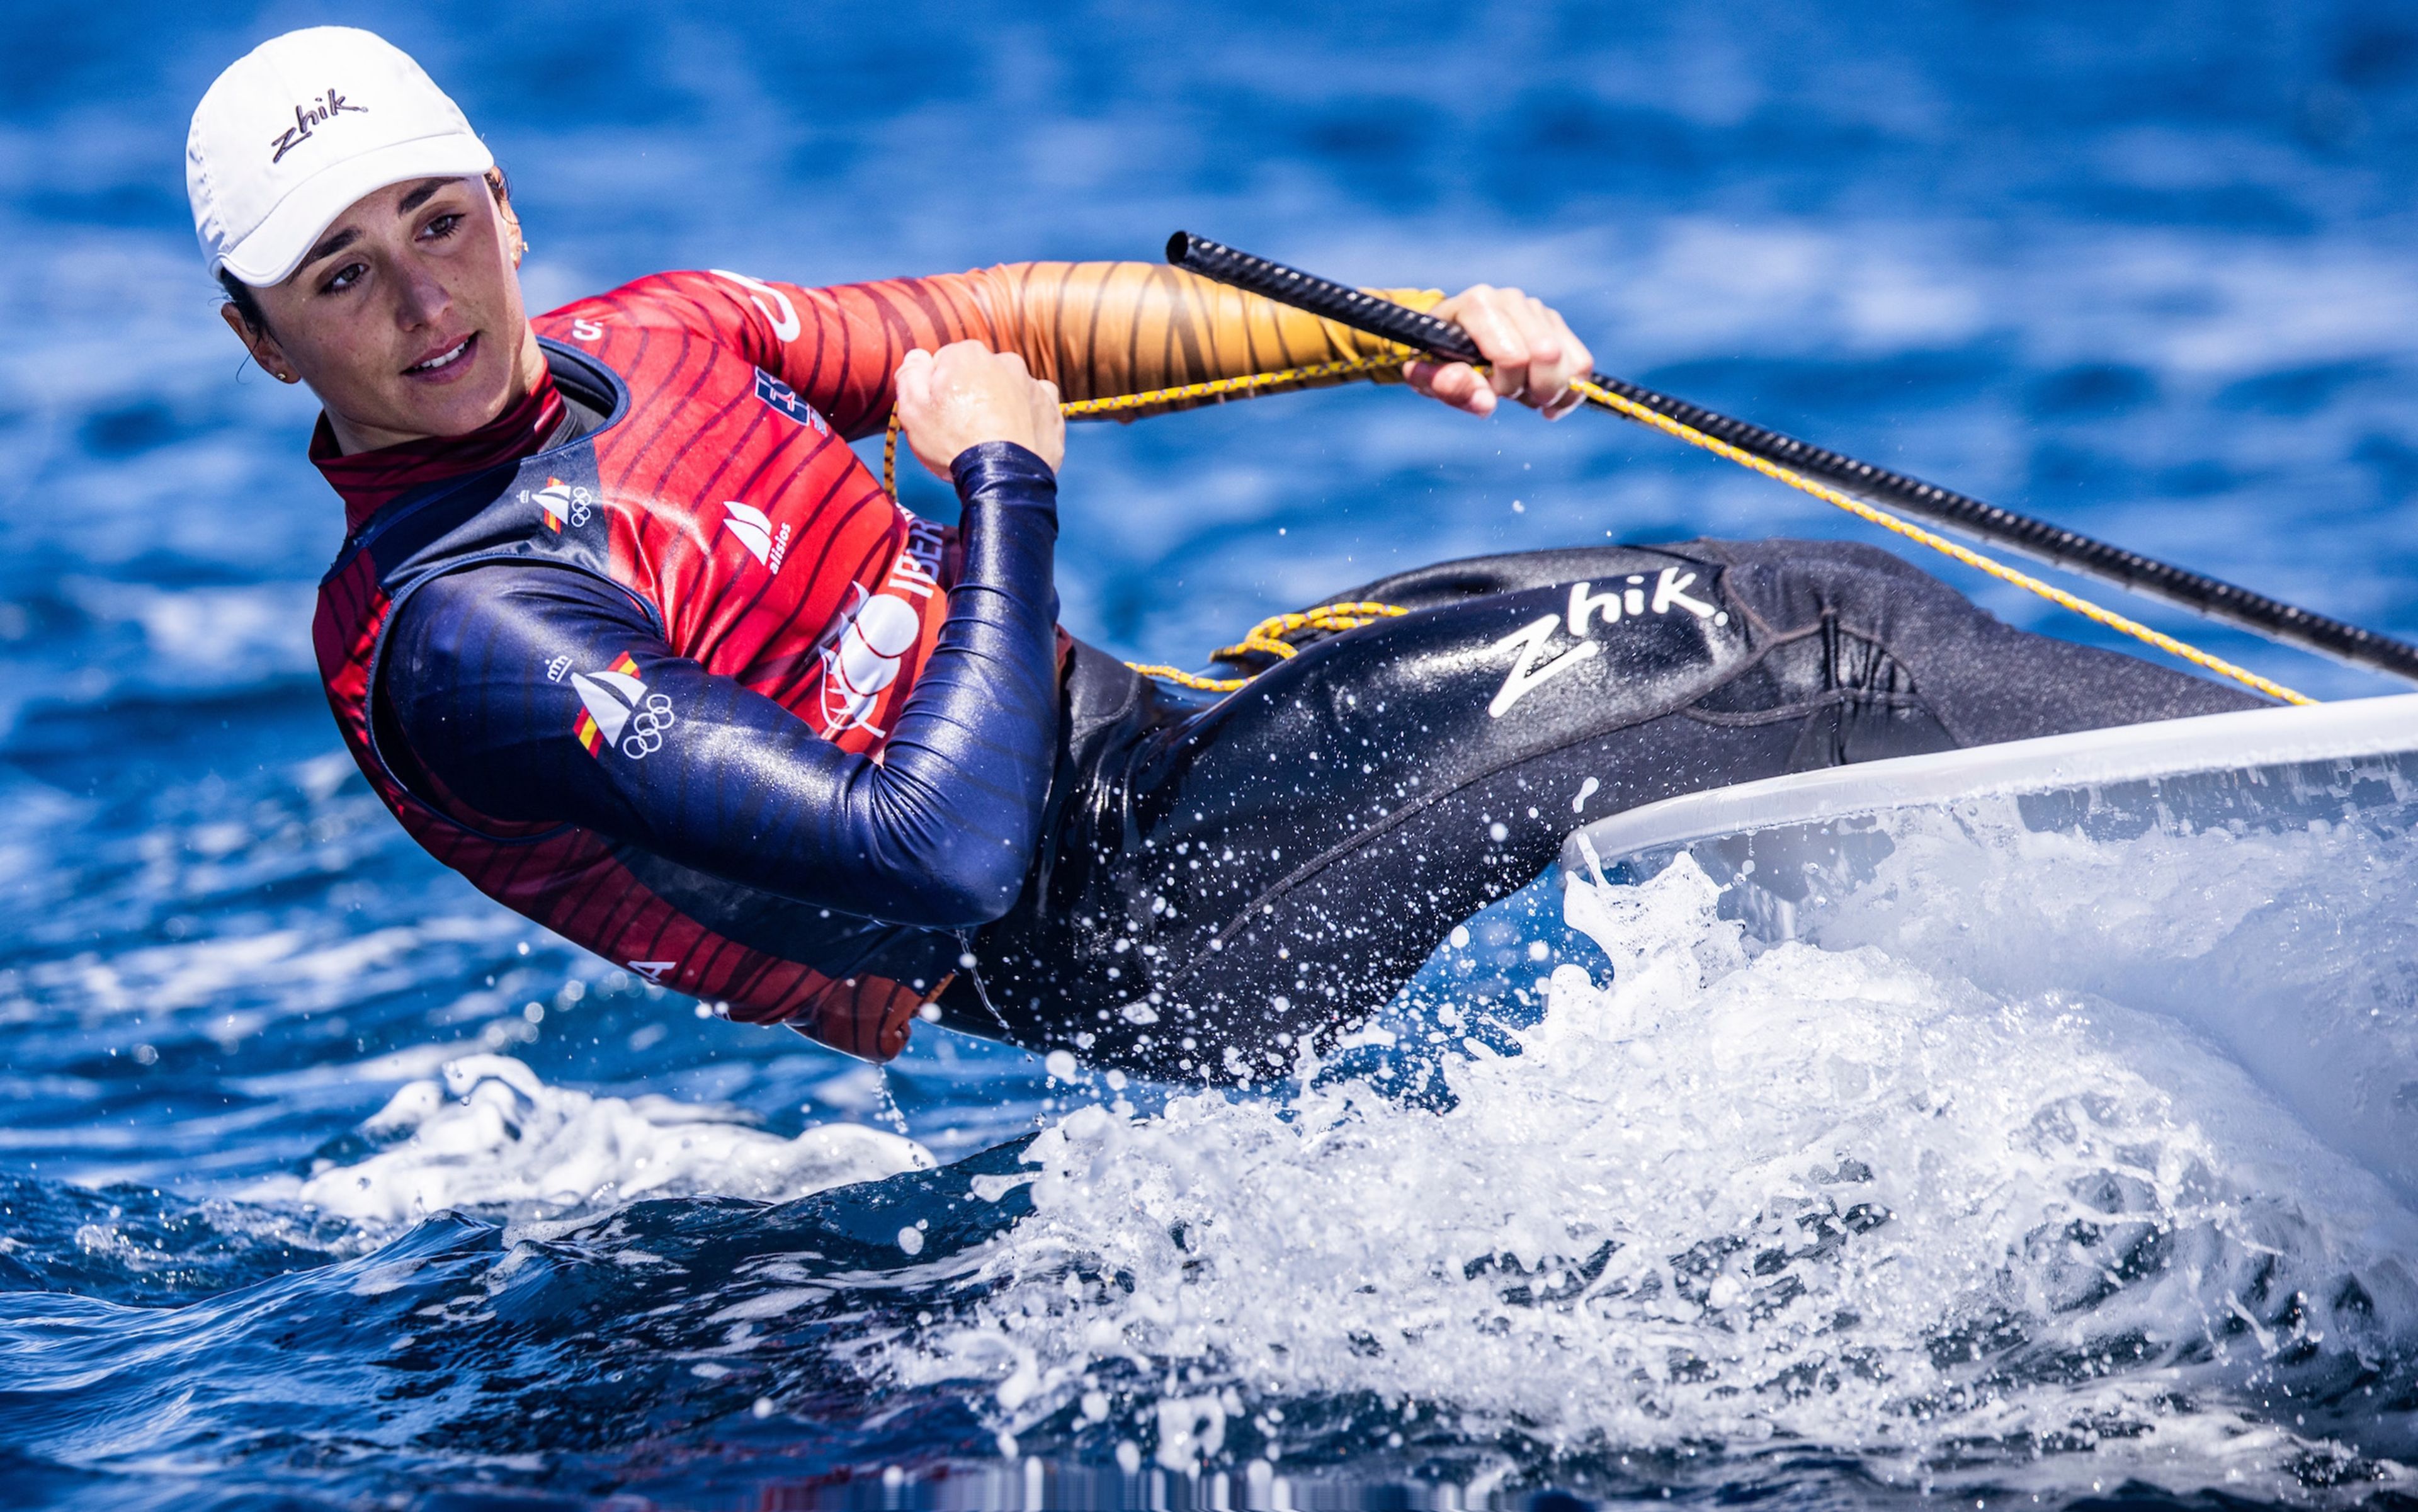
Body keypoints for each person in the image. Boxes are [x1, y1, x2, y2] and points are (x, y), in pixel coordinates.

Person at [192, 28, 2259, 1081]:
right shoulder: (462, 627)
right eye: (343, 277)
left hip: (1178, 772)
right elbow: (933, 859)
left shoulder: (655, 342)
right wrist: (1000, 491)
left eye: (435, 223)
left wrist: (1395, 330)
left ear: (503, 198)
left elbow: (1018, 321)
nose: (422, 304)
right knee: (1809, 636)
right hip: (1134, 937)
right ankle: (2319, 837)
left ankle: (2209, 926)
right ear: (261, 334)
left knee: (1770, 617)